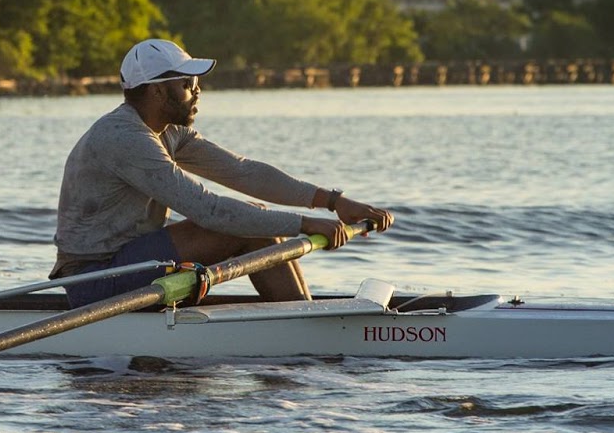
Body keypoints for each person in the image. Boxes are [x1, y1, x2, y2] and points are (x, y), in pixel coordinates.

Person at [50, 38, 394, 306]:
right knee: (248, 228)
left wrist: (334, 202)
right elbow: (208, 210)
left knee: (255, 218)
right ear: (157, 91)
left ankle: (302, 314)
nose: (198, 90)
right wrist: (305, 225)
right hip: (95, 278)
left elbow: (243, 172)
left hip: (132, 260)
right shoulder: (124, 138)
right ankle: (305, 325)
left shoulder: (170, 131)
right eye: (188, 82)